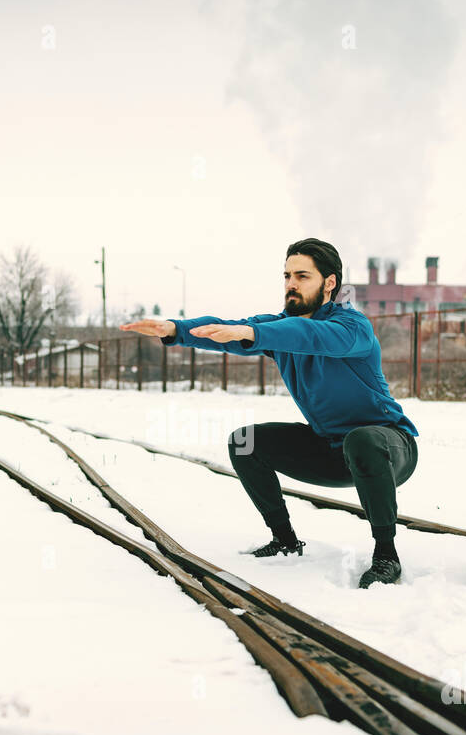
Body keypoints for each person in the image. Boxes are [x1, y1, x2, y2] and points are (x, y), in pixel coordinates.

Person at [120, 238, 418, 589]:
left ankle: (386, 555)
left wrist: (254, 332)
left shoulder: (352, 327)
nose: (291, 283)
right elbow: (228, 329)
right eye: (287, 275)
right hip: (331, 451)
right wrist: (175, 330)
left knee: (362, 440)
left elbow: (310, 336)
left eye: (302, 276)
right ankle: (285, 540)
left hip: (388, 448)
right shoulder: (278, 329)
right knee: (245, 442)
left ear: (330, 282)